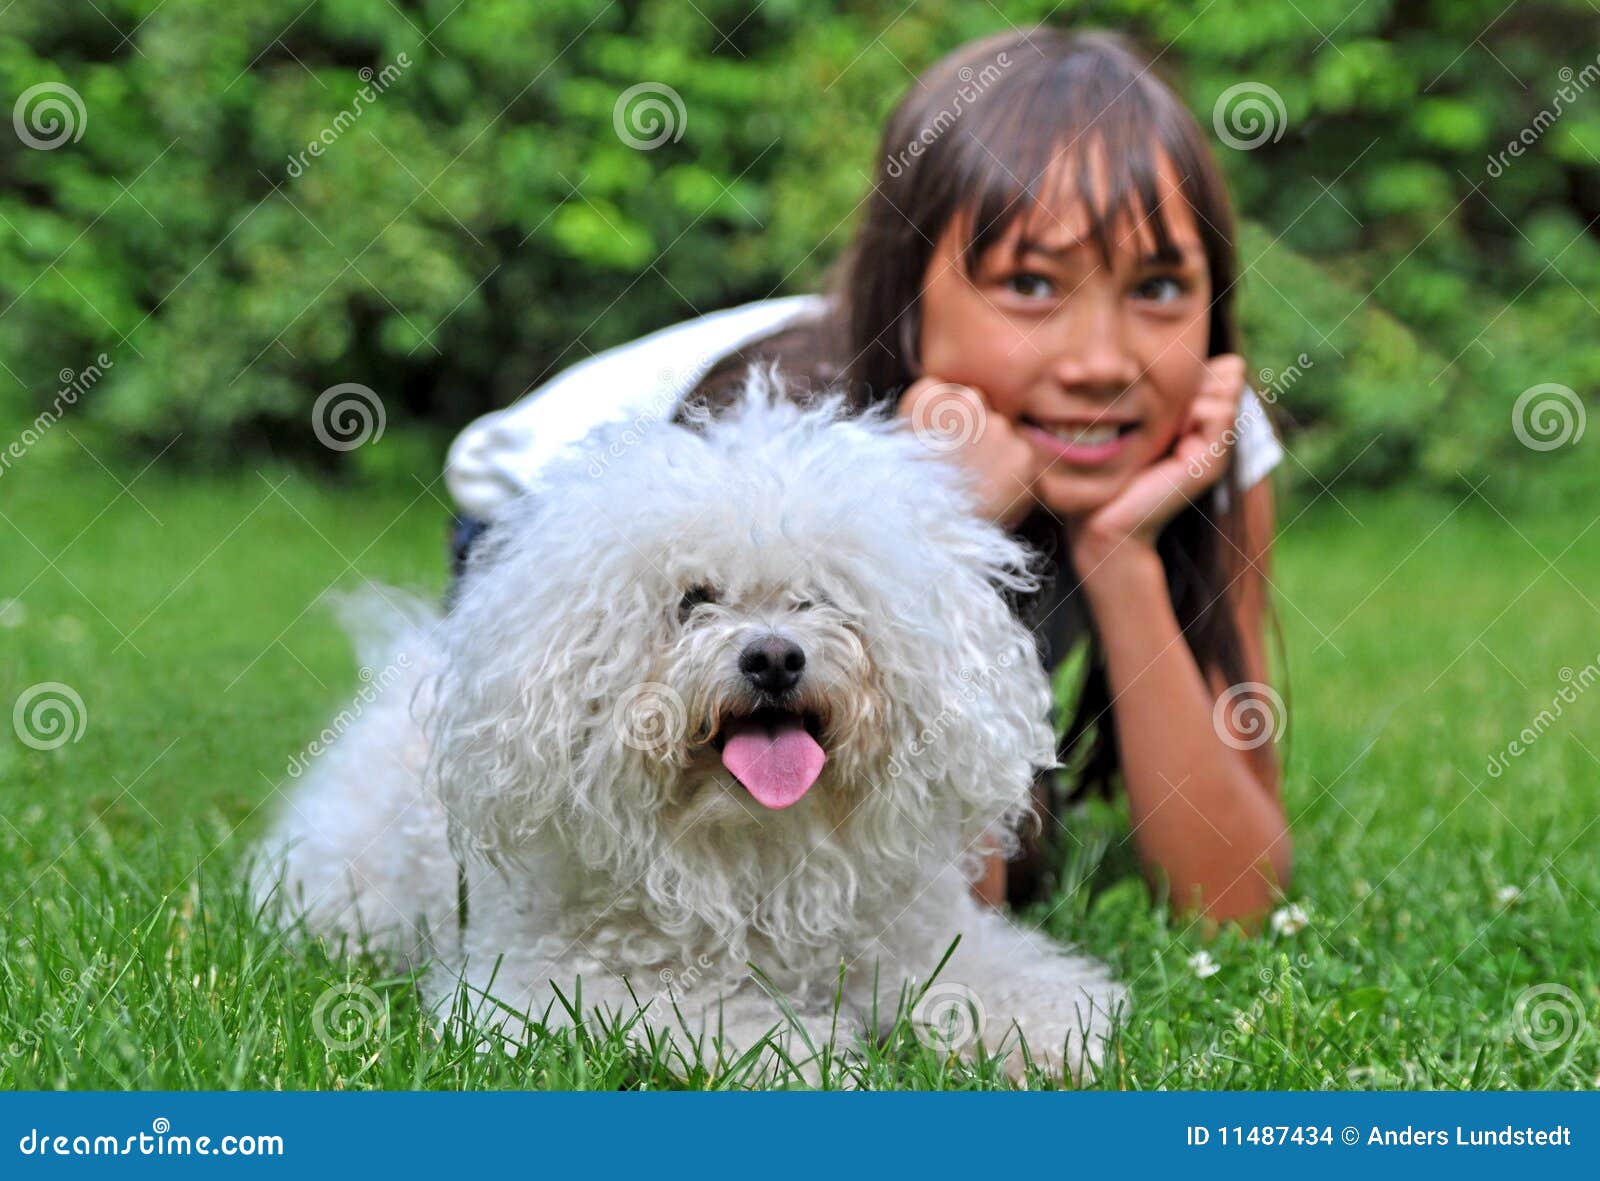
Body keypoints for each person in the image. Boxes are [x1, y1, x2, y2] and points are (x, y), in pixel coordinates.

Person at [444, 26, 1293, 931]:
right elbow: (932, 927)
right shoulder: (785, 438)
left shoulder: (1204, 437)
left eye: (1159, 287)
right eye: (1033, 285)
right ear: (908, 299)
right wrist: (954, 518)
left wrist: (1122, 557)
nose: (1102, 361)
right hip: (538, 518)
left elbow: (1233, 900)